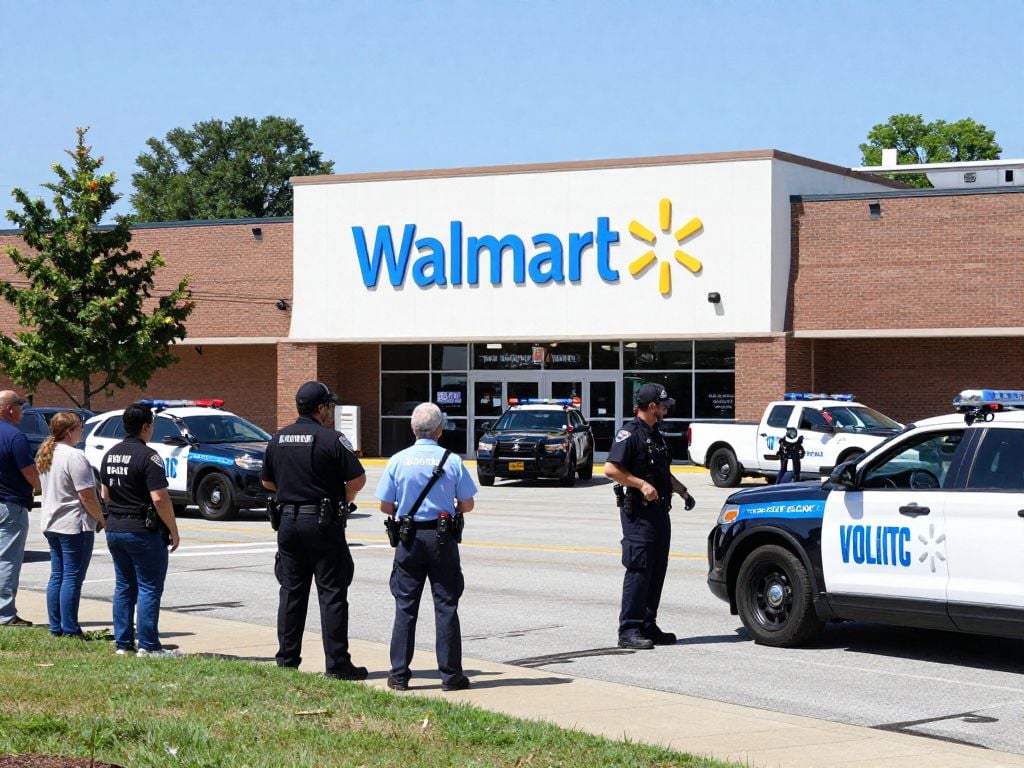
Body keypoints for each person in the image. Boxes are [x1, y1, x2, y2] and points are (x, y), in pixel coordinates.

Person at [261, 381, 368, 680]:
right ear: (320, 408)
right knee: (332, 594)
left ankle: (287, 660)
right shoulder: (332, 439)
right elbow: (357, 480)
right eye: (329, 405)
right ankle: (337, 665)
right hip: (322, 524)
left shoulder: (277, 439)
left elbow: (267, 483)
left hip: (288, 524)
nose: (331, 410)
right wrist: (341, 500)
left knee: (292, 592)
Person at [375, 402, 477, 692]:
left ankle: (398, 675)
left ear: (413, 429)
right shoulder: (451, 460)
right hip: (442, 539)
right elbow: (467, 504)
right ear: (439, 430)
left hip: (408, 538)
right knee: (446, 606)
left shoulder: (397, 460)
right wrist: (448, 505)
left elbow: (385, 505)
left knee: (405, 607)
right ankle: (451, 676)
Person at [603, 383, 694, 650]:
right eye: (664, 405)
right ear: (652, 406)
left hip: (659, 513)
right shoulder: (629, 434)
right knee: (640, 569)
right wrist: (640, 484)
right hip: (638, 515)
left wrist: (683, 492)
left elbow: (663, 473)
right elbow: (611, 469)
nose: (667, 408)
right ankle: (628, 629)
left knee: (656, 569)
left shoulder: (656, 435)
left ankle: (647, 624)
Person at [100, 402, 181, 657]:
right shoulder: (149, 456)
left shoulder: (110, 454)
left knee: (124, 587)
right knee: (149, 587)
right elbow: (159, 498)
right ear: (146, 426)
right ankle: (149, 646)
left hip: (115, 528)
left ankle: (123, 645)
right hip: (143, 531)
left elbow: (106, 495)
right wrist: (173, 530)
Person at [37, 412, 106, 637]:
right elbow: (87, 495)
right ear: (69, 431)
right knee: (72, 577)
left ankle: (57, 626)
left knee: (58, 575)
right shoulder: (74, 456)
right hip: (73, 524)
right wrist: (101, 517)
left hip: (52, 522)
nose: (82, 430)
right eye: (80, 427)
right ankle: (70, 628)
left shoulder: (47, 452)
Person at [0, 390, 41, 627]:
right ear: (9, 408)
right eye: (21, 404)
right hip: (9, 505)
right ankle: (5, 614)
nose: (23, 410)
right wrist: (39, 488)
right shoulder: (15, 437)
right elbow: (31, 473)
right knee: (7, 559)